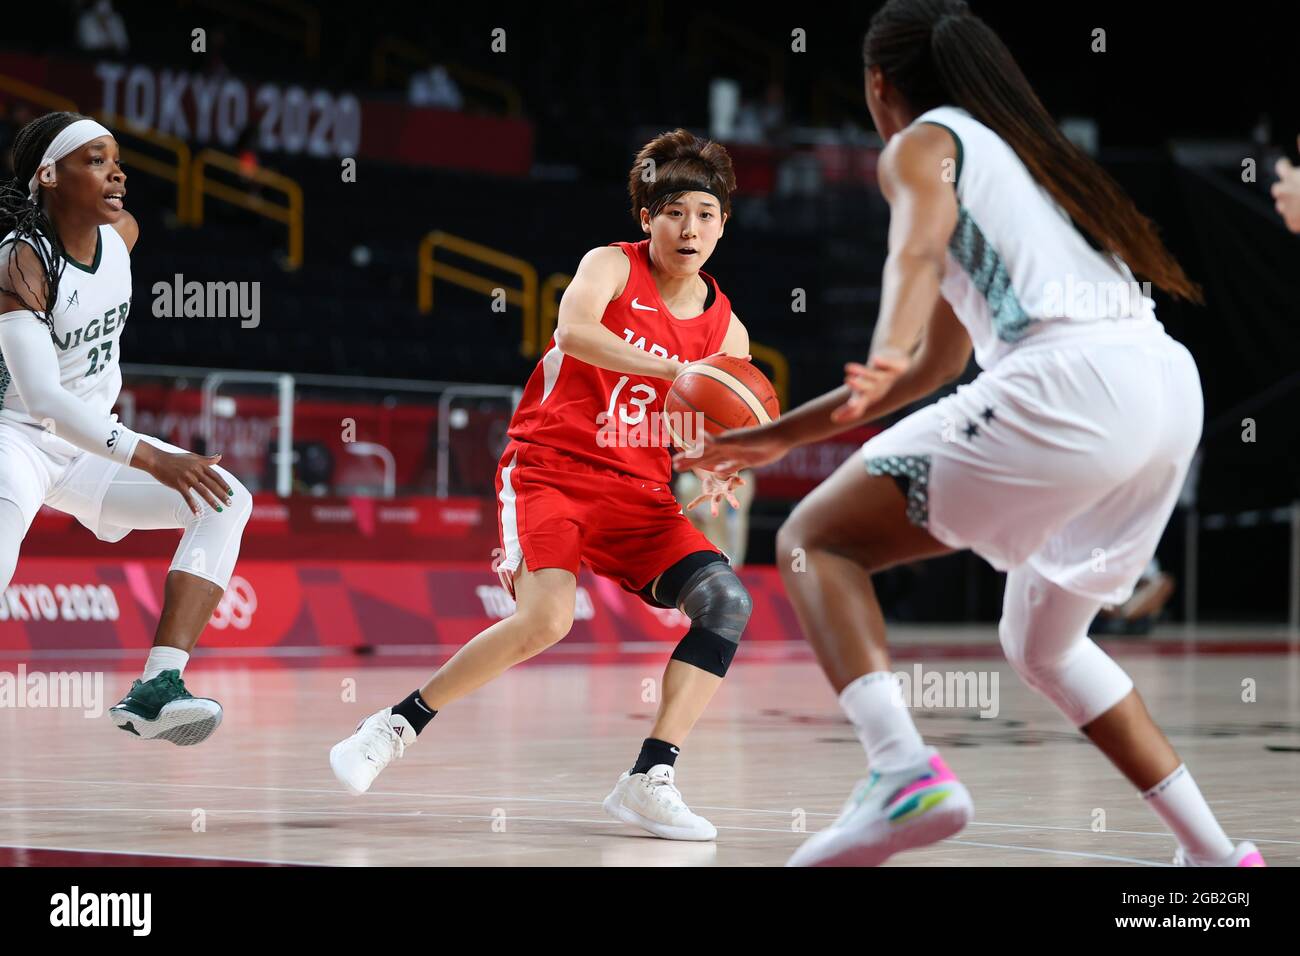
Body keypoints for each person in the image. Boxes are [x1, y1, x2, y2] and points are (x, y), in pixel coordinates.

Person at [680, 0, 1265, 868]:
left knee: (813, 541)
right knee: (1044, 643)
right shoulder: (1029, 163)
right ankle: (1216, 860)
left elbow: (911, 260)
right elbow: (933, 366)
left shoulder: (922, 144)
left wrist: (879, 348)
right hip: (1167, 391)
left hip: (1072, 384)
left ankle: (901, 772)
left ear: (880, 85)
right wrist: (774, 438)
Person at [331, 129, 753, 841]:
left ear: (723, 225)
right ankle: (394, 726)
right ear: (647, 219)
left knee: (726, 602)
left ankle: (651, 778)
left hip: (639, 492)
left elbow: (694, 429)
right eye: (675, 211)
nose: (691, 228)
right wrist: (673, 374)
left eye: (706, 214)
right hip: (549, 468)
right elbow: (574, 332)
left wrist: (715, 458)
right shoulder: (610, 267)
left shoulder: (727, 332)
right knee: (547, 620)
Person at [0, 112, 252, 745]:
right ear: (49, 176)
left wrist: (139, 456)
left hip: (88, 445)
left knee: (225, 500)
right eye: (94, 159)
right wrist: (151, 457)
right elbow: (42, 399)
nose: (116, 171)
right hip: (16, 437)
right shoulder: (22, 262)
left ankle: (157, 689)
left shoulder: (122, 235)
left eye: (116, 158)